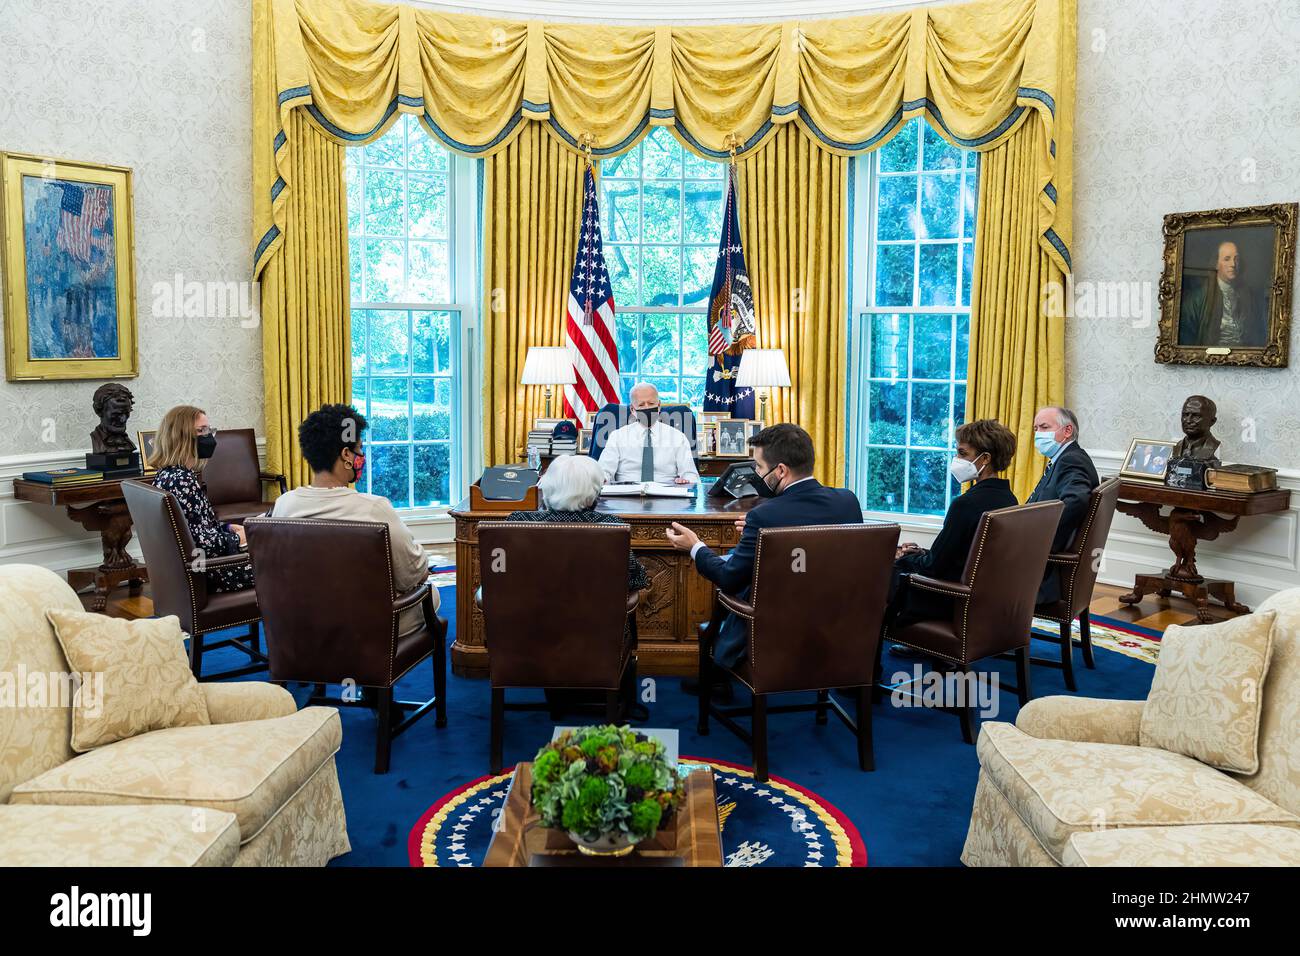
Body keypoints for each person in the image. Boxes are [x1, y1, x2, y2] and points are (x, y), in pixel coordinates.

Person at [665, 423, 863, 690]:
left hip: (778, 632)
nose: (756, 474)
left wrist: (694, 546)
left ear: (780, 470)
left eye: (758, 467)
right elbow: (814, 554)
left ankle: (719, 672)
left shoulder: (765, 515)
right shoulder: (847, 501)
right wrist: (761, 532)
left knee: (741, 582)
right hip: (838, 625)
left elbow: (728, 579)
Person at [271, 404, 437, 636]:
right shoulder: (374, 508)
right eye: (359, 448)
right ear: (346, 455)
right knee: (433, 594)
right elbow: (414, 573)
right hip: (367, 627)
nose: (362, 456)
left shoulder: (284, 504)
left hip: (305, 626)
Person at [507, 454, 650, 720]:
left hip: (528, 633)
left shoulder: (517, 522)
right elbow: (636, 581)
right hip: (596, 637)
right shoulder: (611, 527)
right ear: (594, 493)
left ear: (547, 487)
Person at [889, 419, 1019, 655]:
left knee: (883, 574)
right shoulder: (1009, 500)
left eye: (962, 453)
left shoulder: (966, 504)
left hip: (951, 600)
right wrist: (922, 553)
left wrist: (901, 558)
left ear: (986, 458)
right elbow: (963, 555)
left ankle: (865, 668)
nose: (956, 459)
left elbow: (933, 568)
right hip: (987, 603)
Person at [151, 405, 254, 593]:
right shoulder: (182, 481)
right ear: (180, 436)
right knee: (285, 565)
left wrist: (227, 528)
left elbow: (196, 528)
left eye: (209, 430)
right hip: (211, 573)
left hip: (199, 569)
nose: (208, 437)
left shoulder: (168, 475)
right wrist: (238, 538)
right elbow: (201, 546)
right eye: (201, 431)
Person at [1026, 406, 1100, 603]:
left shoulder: (1071, 460)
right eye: (1035, 429)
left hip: (1046, 570)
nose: (1038, 434)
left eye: (1044, 427)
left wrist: (1038, 539)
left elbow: (1076, 501)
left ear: (1067, 431)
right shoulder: (1065, 458)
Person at [598, 382, 700, 485]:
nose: (647, 408)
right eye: (641, 405)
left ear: (659, 405)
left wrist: (686, 480)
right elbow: (604, 471)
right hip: (626, 494)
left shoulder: (678, 437)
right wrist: (603, 478)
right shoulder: (617, 437)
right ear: (633, 409)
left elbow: (690, 475)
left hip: (666, 495)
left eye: (651, 404)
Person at [1178, 240, 1268, 347]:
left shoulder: (1250, 296)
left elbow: (1257, 334)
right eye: (1227, 259)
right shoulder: (1197, 298)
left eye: (1236, 259)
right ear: (1216, 264)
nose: (1233, 264)